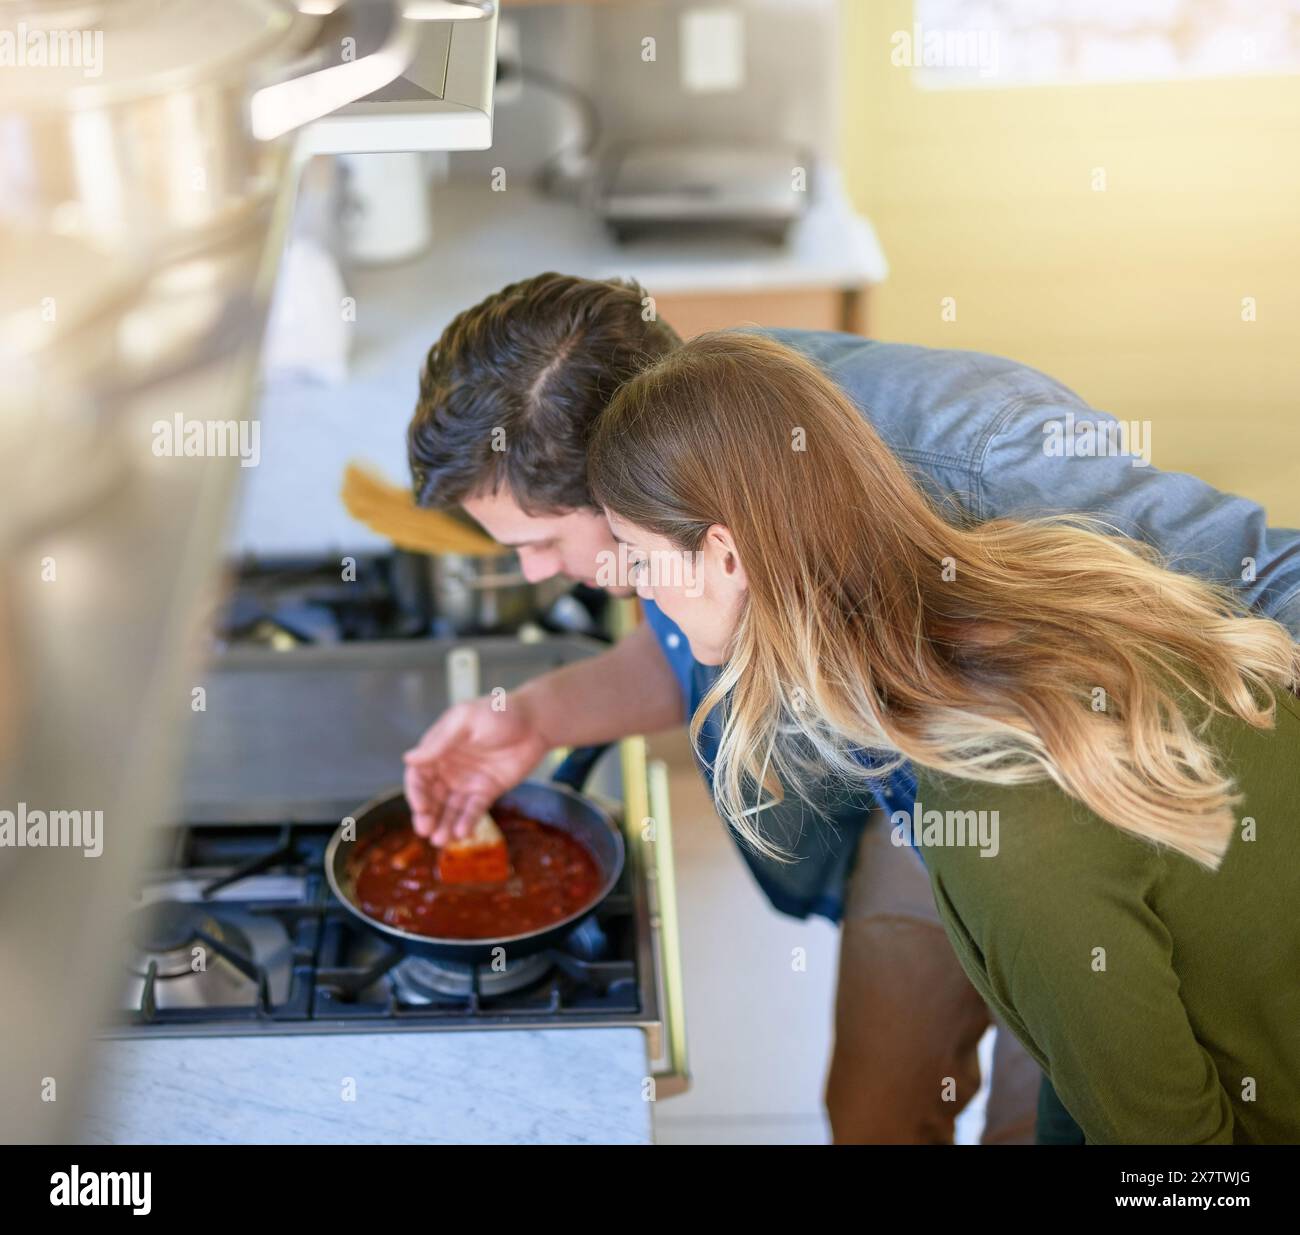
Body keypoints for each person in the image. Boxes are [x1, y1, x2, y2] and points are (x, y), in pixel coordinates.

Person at [402, 272, 1300, 1143]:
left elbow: (1273, 577)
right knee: (877, 1106)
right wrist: (535, 718)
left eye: (541, 540)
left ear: (670, 513)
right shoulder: (692, 498)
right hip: (925, 787)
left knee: (1070, 1112)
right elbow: (700, 642)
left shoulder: (983, 446)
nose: (533, 572)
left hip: (1095, 802)